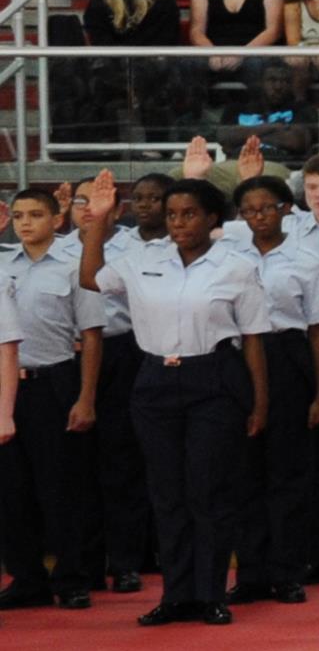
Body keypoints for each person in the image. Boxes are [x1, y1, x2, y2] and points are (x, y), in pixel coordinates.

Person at [70, 159, 266, 627]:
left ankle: (210, 594)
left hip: (214, 380)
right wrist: (99, 220)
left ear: (212, 218)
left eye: (190, 214)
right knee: (166, 492)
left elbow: (254, 338)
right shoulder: (142, 258)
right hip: (155, 379)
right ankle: (176, 595)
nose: (179, 223)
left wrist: (260, 403)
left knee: (207, 491)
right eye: (173, 214)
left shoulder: (237, 267)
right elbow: (91, 277)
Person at [227, 172, 319, 605]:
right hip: (239, 359)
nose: (259, 217)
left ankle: (288, 571)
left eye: (267, 208)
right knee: (244, 474)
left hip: (289, 359)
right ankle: (250, 573)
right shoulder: (228, 257)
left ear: (285, 210)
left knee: (288, 475)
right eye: (250, 211)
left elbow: (317, 331)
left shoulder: (307, 259)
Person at [1, 185, 107, 609]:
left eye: (36, 215)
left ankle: (72, 577)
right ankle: (26, 577)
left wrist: (86, 397)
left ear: (57, 219)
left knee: (61, 487)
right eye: (19, 215)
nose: (26, 223)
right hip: (8, 387)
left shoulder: (74, 266)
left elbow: (92, 336)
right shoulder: (2, 264)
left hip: (55, 381)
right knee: (11, 489)